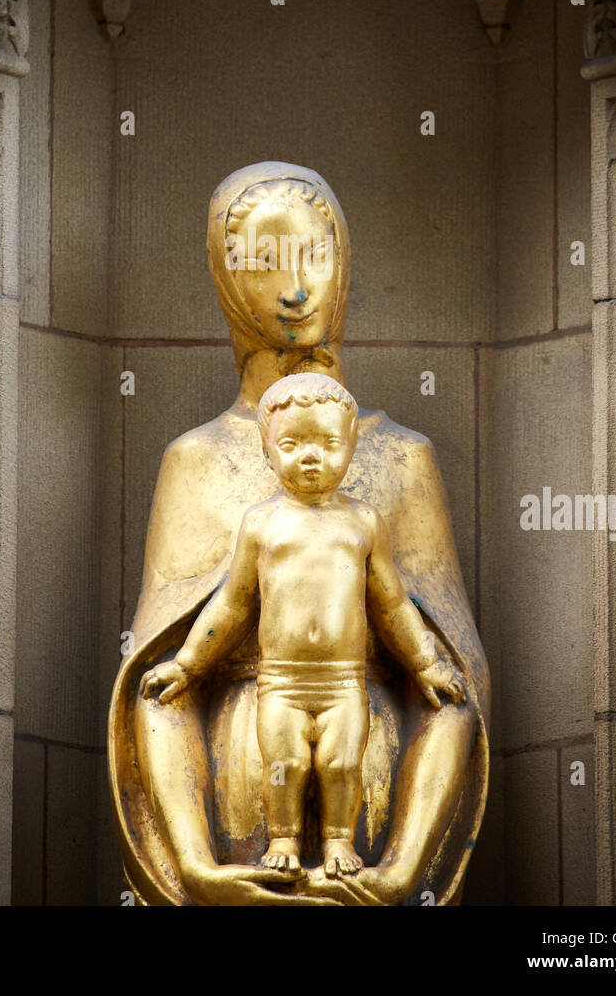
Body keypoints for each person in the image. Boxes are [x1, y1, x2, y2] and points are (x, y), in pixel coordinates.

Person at [109, 163, 490, 906]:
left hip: (377, 831)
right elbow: (155, 691)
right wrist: (192, 867)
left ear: (343, 263)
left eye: (314, 256)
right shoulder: (198, 462)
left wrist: (409, 867)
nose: (295, 288)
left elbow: (453, 689)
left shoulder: (400, 460)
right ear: (227, 282)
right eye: (265, 265)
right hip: (231, 826)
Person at [141, 373, 467, 880]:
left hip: (343, 682)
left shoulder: (364, 523)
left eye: (327, 443)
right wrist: (187, 664)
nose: (310, 456)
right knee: (285, 763)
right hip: (281, 681)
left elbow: (392, 604)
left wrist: (425, 664)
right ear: (267, 453)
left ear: (352, 447)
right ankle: (284, 839)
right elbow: (231, 606)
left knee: (342, 765)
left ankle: (339, 840)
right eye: (292, 444)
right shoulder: (261, 523)